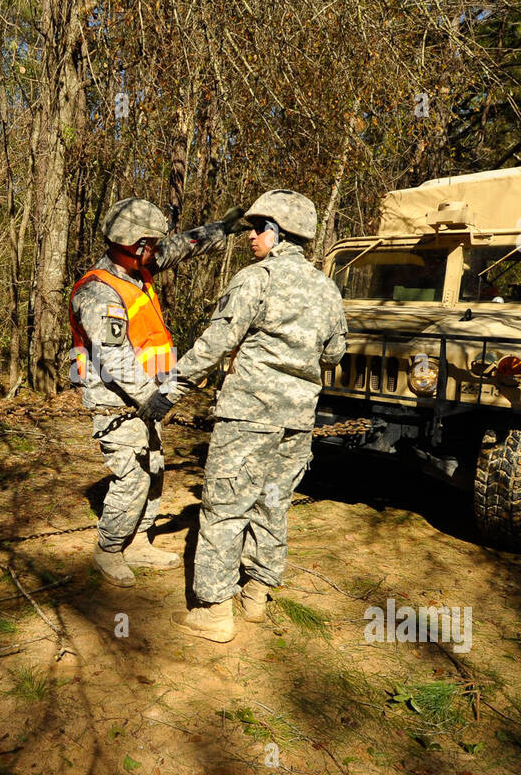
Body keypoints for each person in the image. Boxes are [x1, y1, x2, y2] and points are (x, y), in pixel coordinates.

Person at [139, 189, 347, 641]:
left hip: (249, 416)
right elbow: (334, 354)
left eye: (256, 229)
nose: (249, 236)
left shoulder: (257, 279)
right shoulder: (328, 289)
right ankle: (255, 595)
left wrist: (170, 392)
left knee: (224, 508)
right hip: (297, 420)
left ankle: (213, 611)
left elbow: (213, 346)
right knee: (273, 503)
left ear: (276, 234)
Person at [70, 198, 244, 588]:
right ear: (132, 244)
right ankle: (109, 549)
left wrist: (222, 228)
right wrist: (153, 395)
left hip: (148, 398)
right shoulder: (99, 293)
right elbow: (114, 359)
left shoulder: (138, 267)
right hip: (118, 400)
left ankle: (140, 541)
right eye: (150, 243)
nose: (156, 251)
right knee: (131, 476)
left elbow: (180, 246)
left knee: (155, 470)